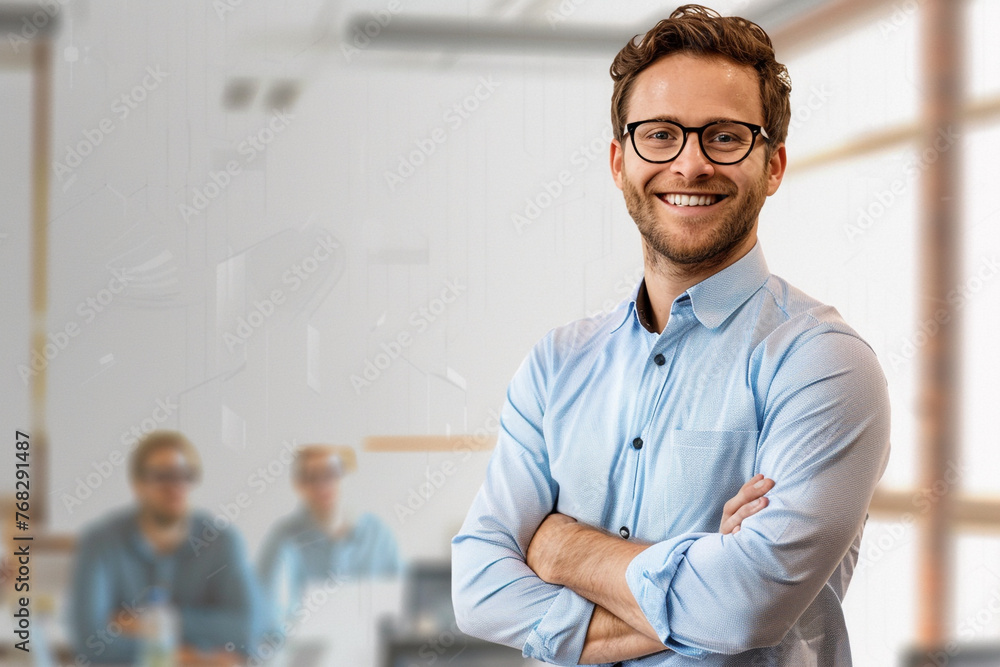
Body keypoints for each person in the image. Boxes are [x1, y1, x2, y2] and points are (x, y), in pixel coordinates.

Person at [451, 5, 891, 666]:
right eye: (660, 135)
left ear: (772, 165)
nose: (690, 165)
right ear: (619, 161)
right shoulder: (556, 364)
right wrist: (702, 584)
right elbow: (478, 587)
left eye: (724, 136)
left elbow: (744, 606)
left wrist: (558, 546)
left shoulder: (824, 364)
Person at [68, 430, 263, 666]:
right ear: (138, 484)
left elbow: (247, 627)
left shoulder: (222, 542)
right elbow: (90, 643)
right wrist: (191, 657)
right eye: (162, 476)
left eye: (184, 475)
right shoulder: (100, 544)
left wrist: (159, 624)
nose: (175, 486)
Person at [256, 445, 402, 629]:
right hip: (306, 649)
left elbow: (401, 601)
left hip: (371, 647)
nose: (322, 485)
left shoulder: (378, 535)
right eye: (312, 478)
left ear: (345, 476)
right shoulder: (282, 539)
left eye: (330, 474)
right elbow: (267, 610)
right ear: (299, 485)